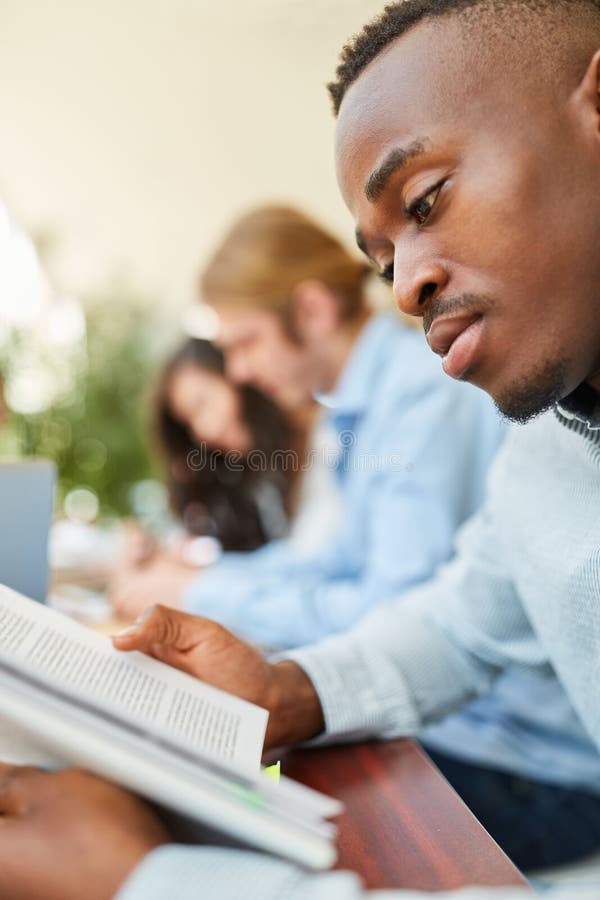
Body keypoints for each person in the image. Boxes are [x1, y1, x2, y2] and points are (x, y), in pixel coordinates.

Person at [2, 1, 600, 898]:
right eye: (383, 257)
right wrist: (288, 690)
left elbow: (382, 589)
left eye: (427, 202)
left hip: (524, 766)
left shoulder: (419, 402)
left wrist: (150, 881)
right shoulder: (547, 449)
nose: (405, 288)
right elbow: (455, 621)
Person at [114, 205, 504, 651]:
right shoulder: (360, 407)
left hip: (484, 718)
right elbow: (331, 562)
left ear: (313, 311)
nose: (237, 372)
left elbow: (393, 614)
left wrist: (199, 594)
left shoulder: (419, 396)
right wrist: (198, 579)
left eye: (246, 343)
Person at [109, 337, 310, 615]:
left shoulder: (319, 448)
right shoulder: (256, 481)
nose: (203, 430)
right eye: (189, 422)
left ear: (238, 375)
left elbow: (303, 569)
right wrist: (168, 564)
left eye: (202, 403)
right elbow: (268, 564)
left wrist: (190, 582)